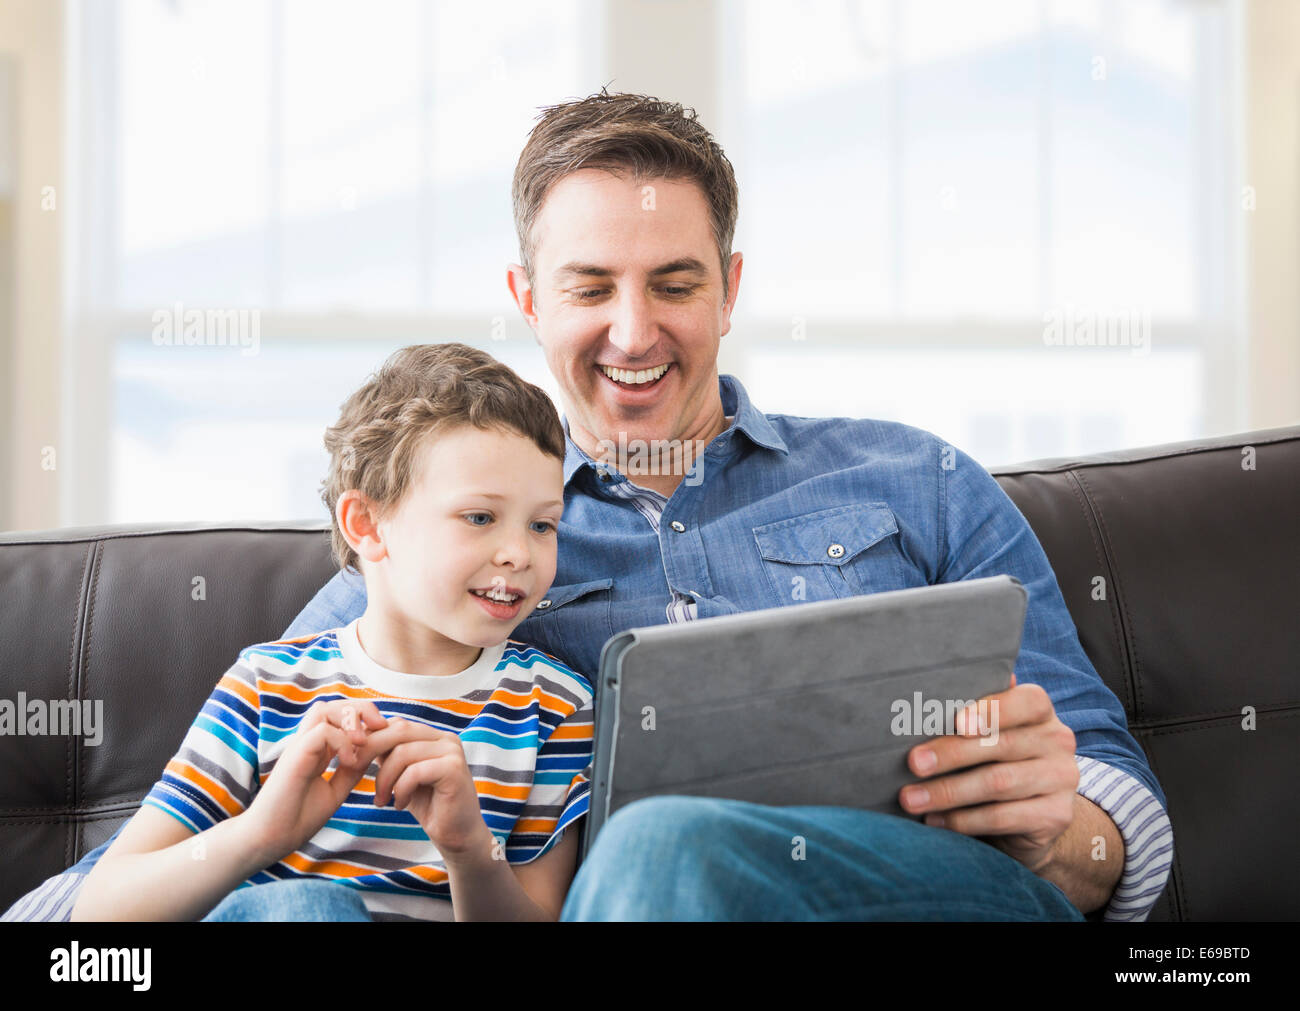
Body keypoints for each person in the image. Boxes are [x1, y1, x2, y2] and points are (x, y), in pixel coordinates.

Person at [7, 88, 1171, 923]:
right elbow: (181, 842)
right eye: (588, 288)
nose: (633, 332)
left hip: (912, 891)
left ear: (730, 290)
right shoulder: (435, 552)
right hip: (617, 902)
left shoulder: (917, 481)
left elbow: (1113, 786)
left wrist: (1071, 834)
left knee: (663, 842)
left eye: (674, 283)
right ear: (525, 296)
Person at [66, 344, 593, 921]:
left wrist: (469, 850)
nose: (519, 553)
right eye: (480, 518)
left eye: (542, 524)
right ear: (366, 524)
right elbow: (103, 910)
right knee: (305, 906)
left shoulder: (556, 706)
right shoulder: (267, 686)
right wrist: (261, 834)